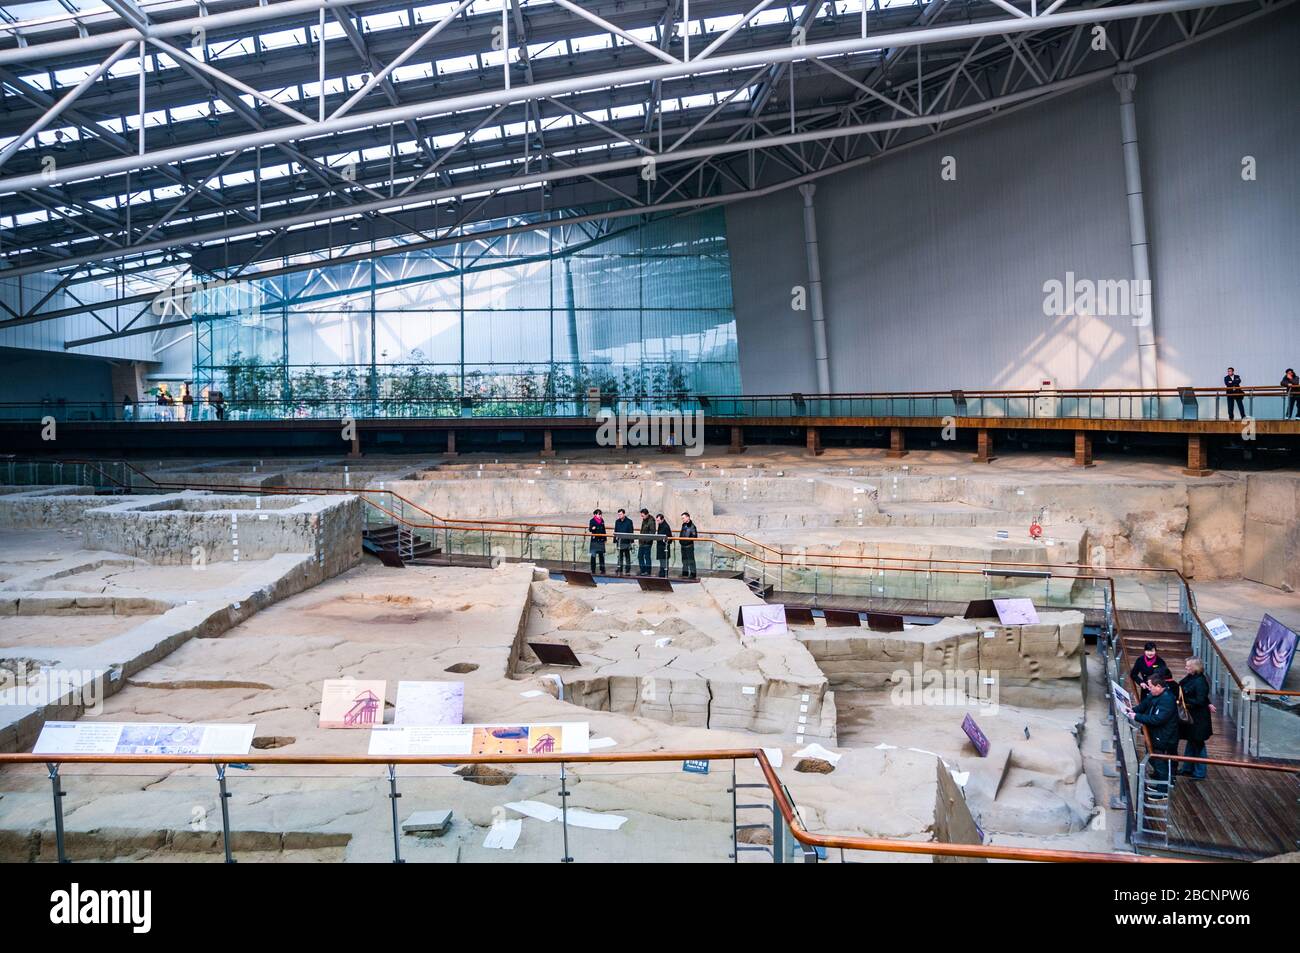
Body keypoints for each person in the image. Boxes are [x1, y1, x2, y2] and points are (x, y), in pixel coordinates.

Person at [1126, 676, 1179, 795]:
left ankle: (1162, 791)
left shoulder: (1167, 700)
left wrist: (1137, 716)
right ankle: (1161, 782)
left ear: (1159, 687)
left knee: (1160, 762)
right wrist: (1133, 710)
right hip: (1156, 734)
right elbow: (1144, 705)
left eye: (1151, 687)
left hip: (1164, 736)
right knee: (1154, 758)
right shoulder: (1154, 695)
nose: (1149, 689)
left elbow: (1158, 719)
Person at [1176, 658, 1215, 780]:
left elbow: (1200, 700)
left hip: (1199, 719)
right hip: (1193, 718)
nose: (1186, 668)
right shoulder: (1191, 678)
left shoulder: (1200, 681)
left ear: (1194, 667)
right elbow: (1180, 687)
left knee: (1198, 744)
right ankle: (1187, 768)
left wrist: (1184, 700)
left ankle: (1199, 773)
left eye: (1188, 666)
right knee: (1192, 741)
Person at [613, 508, 634, 575]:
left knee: (627, 556)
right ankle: (619, 568)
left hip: (626, 541)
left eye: (621, 514)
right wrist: (614, 540)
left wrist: (631, 542)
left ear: (624, 514)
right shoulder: (617, 521)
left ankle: (627, 569)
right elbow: (615, 530)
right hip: (619, 541)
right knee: (620, 556)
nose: (619, 515)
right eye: (618, 514)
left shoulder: (629, 521)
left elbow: (631, 531)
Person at [678, 512, 698, 578]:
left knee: (691, 560)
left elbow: (695, 536)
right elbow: (682, 533)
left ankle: (693, 573)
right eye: (682, 518)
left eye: (683, 518)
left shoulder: (692, 526)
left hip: (689, 546)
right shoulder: (683, 525)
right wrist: (681, 541)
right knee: (684, 560)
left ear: (688, 517)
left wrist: (687, 540)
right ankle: (685, 572)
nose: (682, 519)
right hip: (683, 545)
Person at [587, 508, 607, 575]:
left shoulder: (602, 520)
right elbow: (590, 529)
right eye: (599, 514)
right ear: (595, 514)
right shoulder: (592, 520)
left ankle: (602, 569)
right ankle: (593, 569)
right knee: (593, 555)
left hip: (601, 540)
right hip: (594, 540)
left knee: (601, 555)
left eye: (601, 514)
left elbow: (604, 530)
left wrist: (605, 538)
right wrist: (592, 528)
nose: (600, 515)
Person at [636, 508, 654, 576]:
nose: (642, 517)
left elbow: (652, 532)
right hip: (642, 542)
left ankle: (648, 571)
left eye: (643, 515)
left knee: (647, 557)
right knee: (640, 556)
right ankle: (642, 570)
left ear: (647, 514)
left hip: (647, 543)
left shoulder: (651, 521)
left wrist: (646, 540)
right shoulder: (644, 520)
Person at [654, 512, 673, 578]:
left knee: (664, 560)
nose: (657, 522)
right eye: (657, 520)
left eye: (658, 520)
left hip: (664, 547)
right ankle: (662, 572)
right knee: (661, 560)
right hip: (660, 546)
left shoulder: (666, 526)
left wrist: (664, 540)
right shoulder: (660, 525)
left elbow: (669, 538)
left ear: (662, 519)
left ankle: (664, 573)